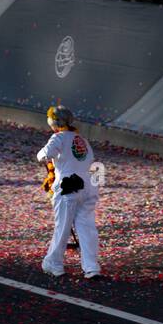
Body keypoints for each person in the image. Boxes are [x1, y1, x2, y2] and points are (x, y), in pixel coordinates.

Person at [36, 106, 101, 278]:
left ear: (54, 123)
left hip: (68, 184)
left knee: (63, 226)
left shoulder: (58, 138)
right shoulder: (82, 140)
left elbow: (45, 155)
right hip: (88, 185)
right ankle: (91, 267)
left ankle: (54, 264)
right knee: (86, 227)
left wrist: (41, 156)